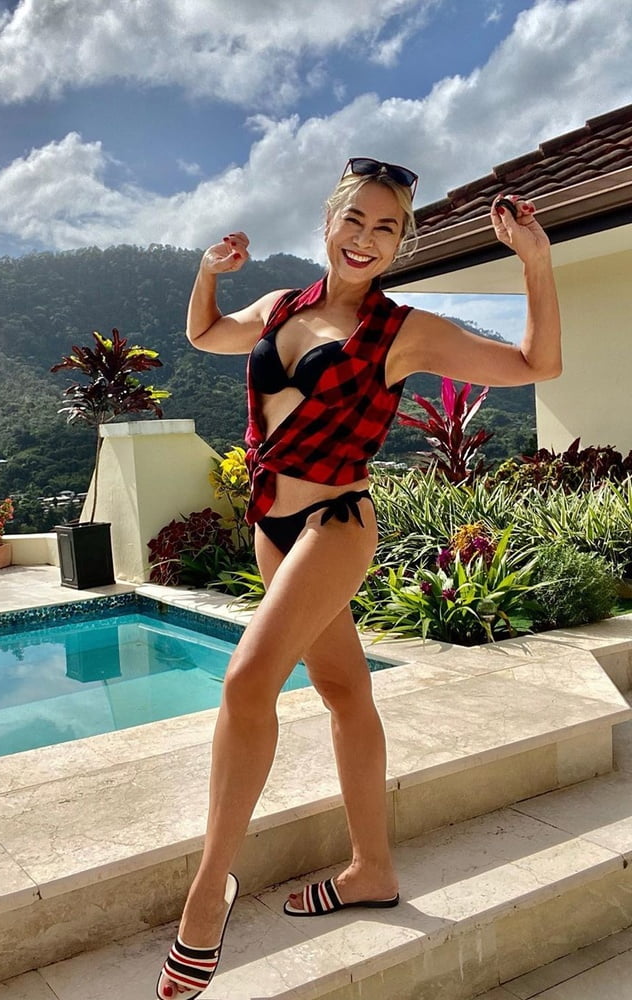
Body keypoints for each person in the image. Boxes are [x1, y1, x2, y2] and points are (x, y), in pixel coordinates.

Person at [156, 158, 561, 999]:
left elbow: (537, 364)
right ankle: (371, 869)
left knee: (246, 684)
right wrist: (207, 272)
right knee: (344, 690)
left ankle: (207, 894)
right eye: (356, 220)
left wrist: (536, 263)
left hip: (334, 522)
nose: (367, 239)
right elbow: (205, 334)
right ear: (328, 221)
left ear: (401, 242)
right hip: (271, 526)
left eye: (387, 228)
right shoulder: (280, 307)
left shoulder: (404, 331)